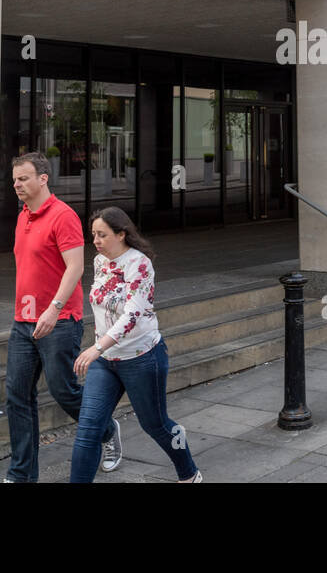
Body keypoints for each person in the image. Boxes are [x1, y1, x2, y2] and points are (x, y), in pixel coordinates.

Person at [5, 152, 119, 483]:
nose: (17, 185)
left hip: (60, 320)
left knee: (64, 391)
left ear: (43, 178)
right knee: (17, 397)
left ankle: (107, 430)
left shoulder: (62, 215)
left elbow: (75, 267)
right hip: (23, 321)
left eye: (23, 178)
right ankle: (21, 474)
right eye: (14, 180)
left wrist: (54, 308)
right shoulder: (23, 216)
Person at [70, 206, 201, 483]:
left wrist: (97, 348)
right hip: (105, 361)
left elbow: (132, 315)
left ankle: (189, 473)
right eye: (93, 234)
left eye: (102, 235)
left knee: (156, 425)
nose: (95, 241)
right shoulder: (99, 261)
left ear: (121, 234)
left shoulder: (139, 264)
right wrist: (100, 348)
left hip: (142, 357)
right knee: (88, 431)